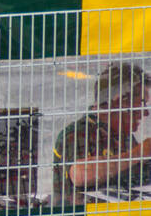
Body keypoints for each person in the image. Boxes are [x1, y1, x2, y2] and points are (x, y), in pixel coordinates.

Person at [52, 63, 151, 203]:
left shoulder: (123, 136)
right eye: (142, 104)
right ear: (120, 101)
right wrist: (140, 152)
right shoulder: (76, 134)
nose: (146, 112)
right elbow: (80, 174)